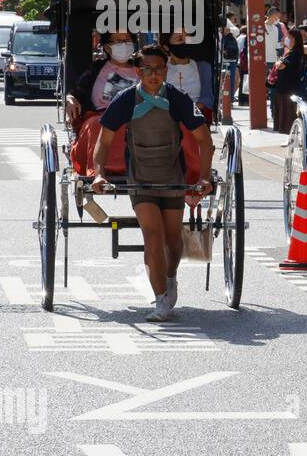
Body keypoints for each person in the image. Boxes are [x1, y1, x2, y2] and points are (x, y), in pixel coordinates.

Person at [90, 45, 214, 322]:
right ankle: (160, 299)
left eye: (159, 69)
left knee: (173, 239)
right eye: (147, 69)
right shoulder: (125, 100)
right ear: (138, 71)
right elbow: (104, 141)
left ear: (166, 70)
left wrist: (204, 177)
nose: (154, 75)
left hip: (172, 177)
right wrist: (98, 172)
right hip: (141, 178)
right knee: (153, 237)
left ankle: (170, 279)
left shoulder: (178, 98)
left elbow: (205, 140)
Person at [66, 30, 140, 122]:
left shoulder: (142, 70)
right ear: (107, 47)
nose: (124, 44)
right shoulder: (95, 69)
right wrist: (70, 100)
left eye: (127, 40)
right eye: (118, 41)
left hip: (134, 124)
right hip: (98, 124)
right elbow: (76, 93)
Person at [163, 29, 215, 116]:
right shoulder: (161, 69)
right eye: (180, 39)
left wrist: (192, 111)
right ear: (166, 46)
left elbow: (208, 97)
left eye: (187, 38)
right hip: (167, 118)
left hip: (195, 120)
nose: (186, 42)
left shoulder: (203, 67)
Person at [270, 27, 307, 134]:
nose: (287, 39)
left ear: (295, 39)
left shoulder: (295, 53)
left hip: (288, 89)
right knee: (286, 115)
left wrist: (278, 63)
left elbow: (281, 65)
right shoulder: (291, 52)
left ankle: (291, 138)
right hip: (285, 88)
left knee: (288, 116)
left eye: (290, 37)